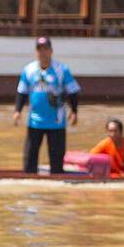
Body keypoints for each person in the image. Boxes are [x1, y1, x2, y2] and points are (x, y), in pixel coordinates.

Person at [14, 37, 80, 175]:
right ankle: (30, 179)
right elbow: (22, 91)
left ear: (51, 51)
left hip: (56, 122)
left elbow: (73, 91)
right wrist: (17, 111)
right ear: (36, 52)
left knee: (56, 161)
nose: (42, 52)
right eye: (39, 49)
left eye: (45, 49)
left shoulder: (62, 70)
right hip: (35, 121)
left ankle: (56, 180)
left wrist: (74, 111)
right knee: (29, 159)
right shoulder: (29, 70)